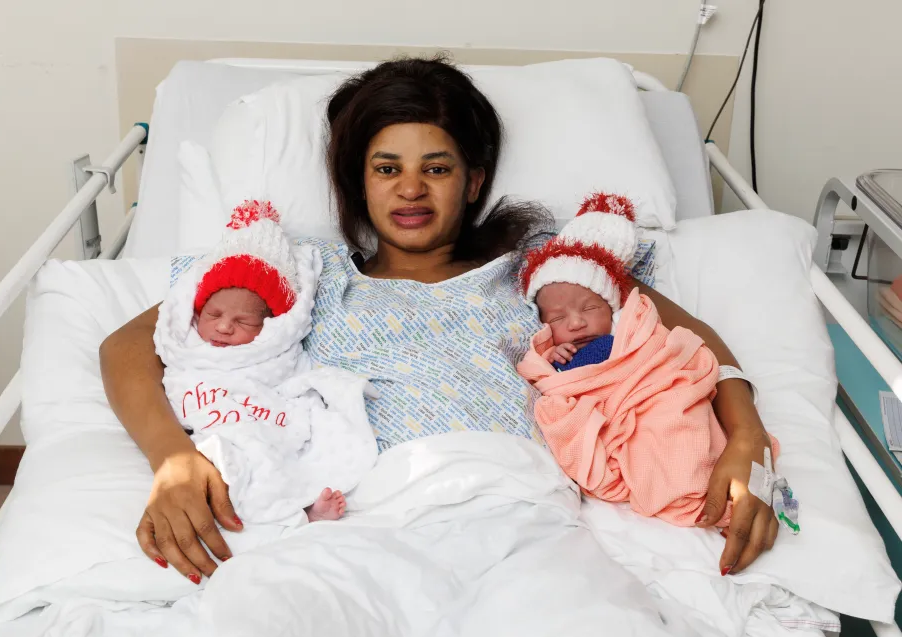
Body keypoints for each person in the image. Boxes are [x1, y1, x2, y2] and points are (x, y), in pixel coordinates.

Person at [99, 56, 778, 584]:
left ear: (474, 181)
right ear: (357, 182)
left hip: (523, 515)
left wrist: (745, 438)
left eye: (438, 167)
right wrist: (173, 461)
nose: (411, 188)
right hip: (368, 517)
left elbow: (689, 340)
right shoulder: (304, 273)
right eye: (386, 167)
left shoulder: (544, 269)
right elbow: (128, 345)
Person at [517, 193, 779, 542]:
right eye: (560, 318)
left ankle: (690, 480)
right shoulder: (554, 327)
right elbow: (554, 381)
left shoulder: (624, 317)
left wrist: (749, 435)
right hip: (577, 440)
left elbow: (683, 351)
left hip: (654, 390)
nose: (577, 323)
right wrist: (554, 362)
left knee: (676, 423)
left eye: (590, 308)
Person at [151, 199, 378, 581]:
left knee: (279, 461)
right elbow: (172, 384)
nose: (223, 328)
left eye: (242, 321)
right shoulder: (188, 353)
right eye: (214, 315)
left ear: (270, 327)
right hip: (214, 433)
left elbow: (295, 381)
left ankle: (299, 514)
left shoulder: (274, 353)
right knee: (226, 469)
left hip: (264, 421)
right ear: (196, 313)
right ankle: (281, 522)